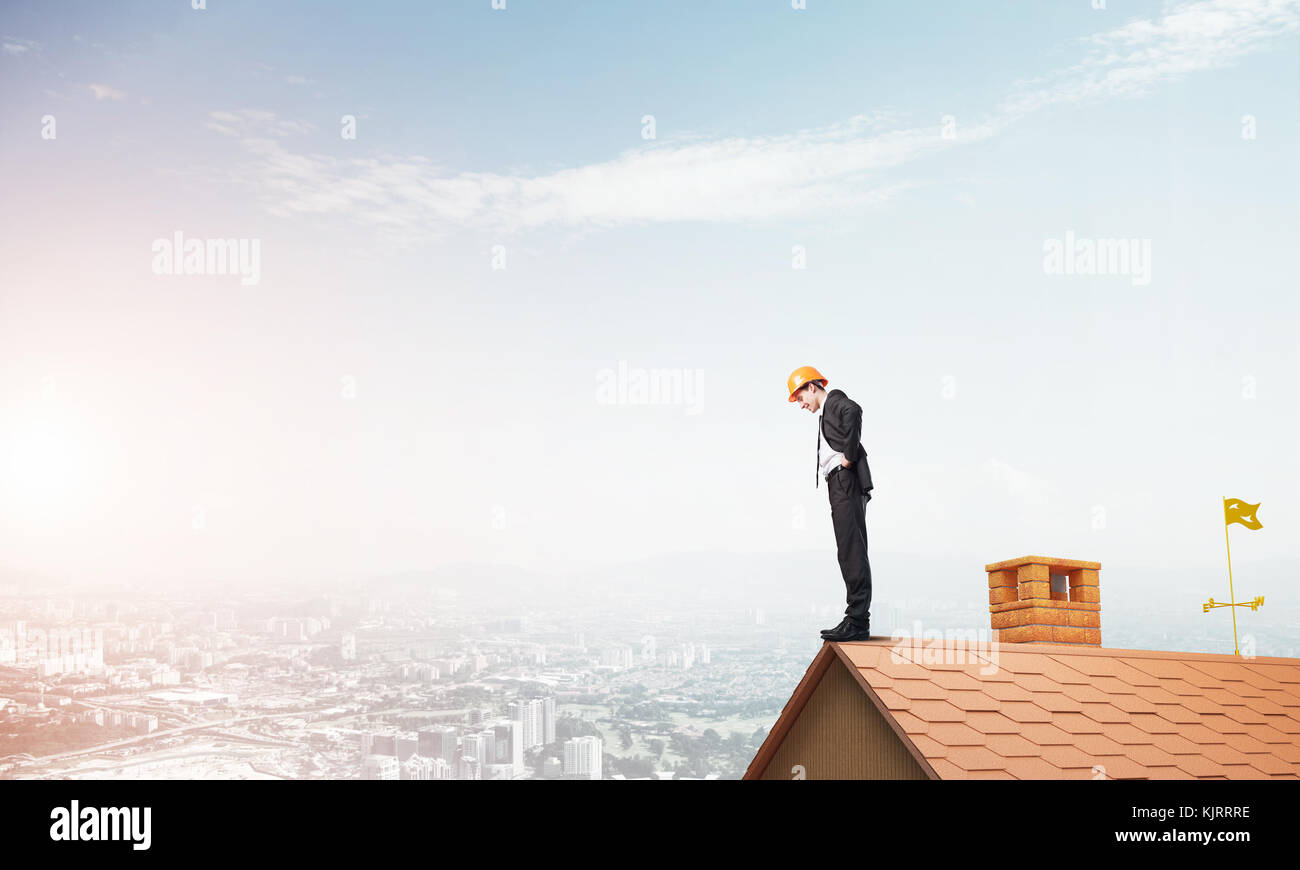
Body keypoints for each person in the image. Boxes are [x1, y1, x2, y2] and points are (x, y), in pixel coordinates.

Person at [787, 366, 874, 642]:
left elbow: (855, 410)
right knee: (847, 549)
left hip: (845, 480)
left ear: (812, 387)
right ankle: (855, 618)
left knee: (851, 549)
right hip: (839, 484)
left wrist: (848, 456)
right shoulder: (826, 412)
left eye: (800, 398)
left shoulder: (835, 401)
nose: (801, 405)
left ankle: (858, 621)